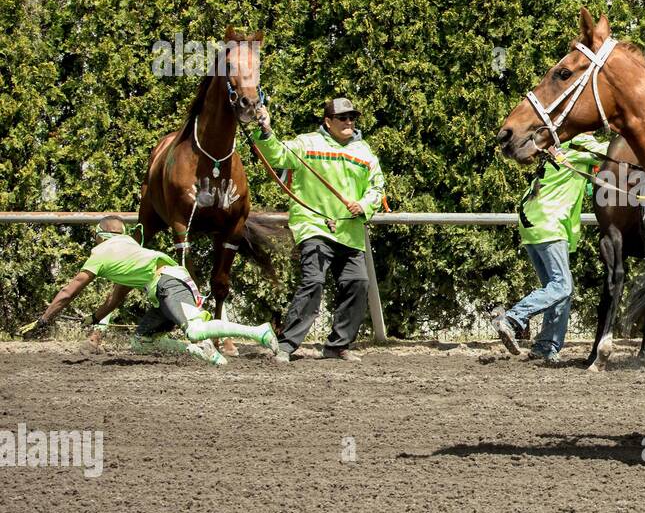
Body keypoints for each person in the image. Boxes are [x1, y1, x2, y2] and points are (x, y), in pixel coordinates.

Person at [18, 216, 276, 366]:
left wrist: (44, 319)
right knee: (141, 342)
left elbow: (69, 291)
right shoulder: (129, 250)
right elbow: (115, 298)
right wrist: (93, 319)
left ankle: (258, 332)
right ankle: (203, 353)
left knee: (195, 329)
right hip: (163, 289)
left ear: (101, 235)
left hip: (170, 283)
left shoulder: (100, 253)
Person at [253, 97, 386, 363]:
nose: (349, 122)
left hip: (350, 232)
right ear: (328, 121)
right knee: (313, 281)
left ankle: (337, 346)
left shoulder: (365, 152)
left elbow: (377, 187)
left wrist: (364, 205)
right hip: (314, 226)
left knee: (358, 283)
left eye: (352, 118)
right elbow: (277, 153)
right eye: (342, 118)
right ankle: (287, 345)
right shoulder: (306, 143)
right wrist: (265, 130)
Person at [492, 132, 608, 364]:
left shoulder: (561, 143)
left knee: (556, 290)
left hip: (532, 222)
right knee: (562, 286)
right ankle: (513, 319)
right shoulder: (580, 142)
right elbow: (615, 154)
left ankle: (546, 346)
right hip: (549, 222)